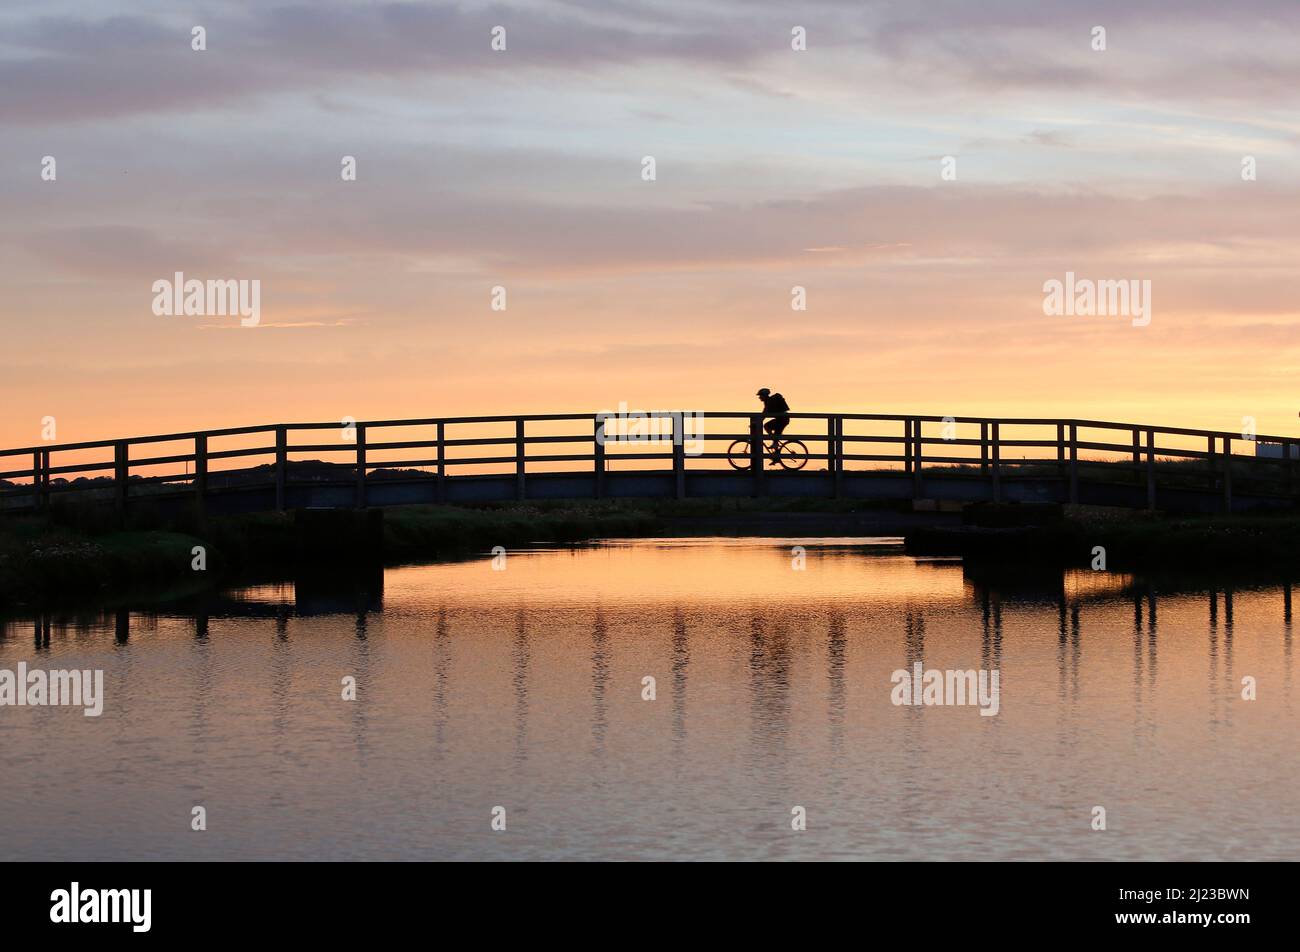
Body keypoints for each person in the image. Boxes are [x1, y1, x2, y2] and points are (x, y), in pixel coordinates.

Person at [756, 388, 791, 465]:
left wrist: (757, 422)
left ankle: (775, 444)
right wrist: (759, 421)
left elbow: (764, 414)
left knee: (767, 426)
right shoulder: (768, 402)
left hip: (783, 420)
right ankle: (776, 457)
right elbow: (764, 414)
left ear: (764, 395)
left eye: (760, 396)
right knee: (773, 434)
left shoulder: (769, 402)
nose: (759, 397)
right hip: (782, 419)